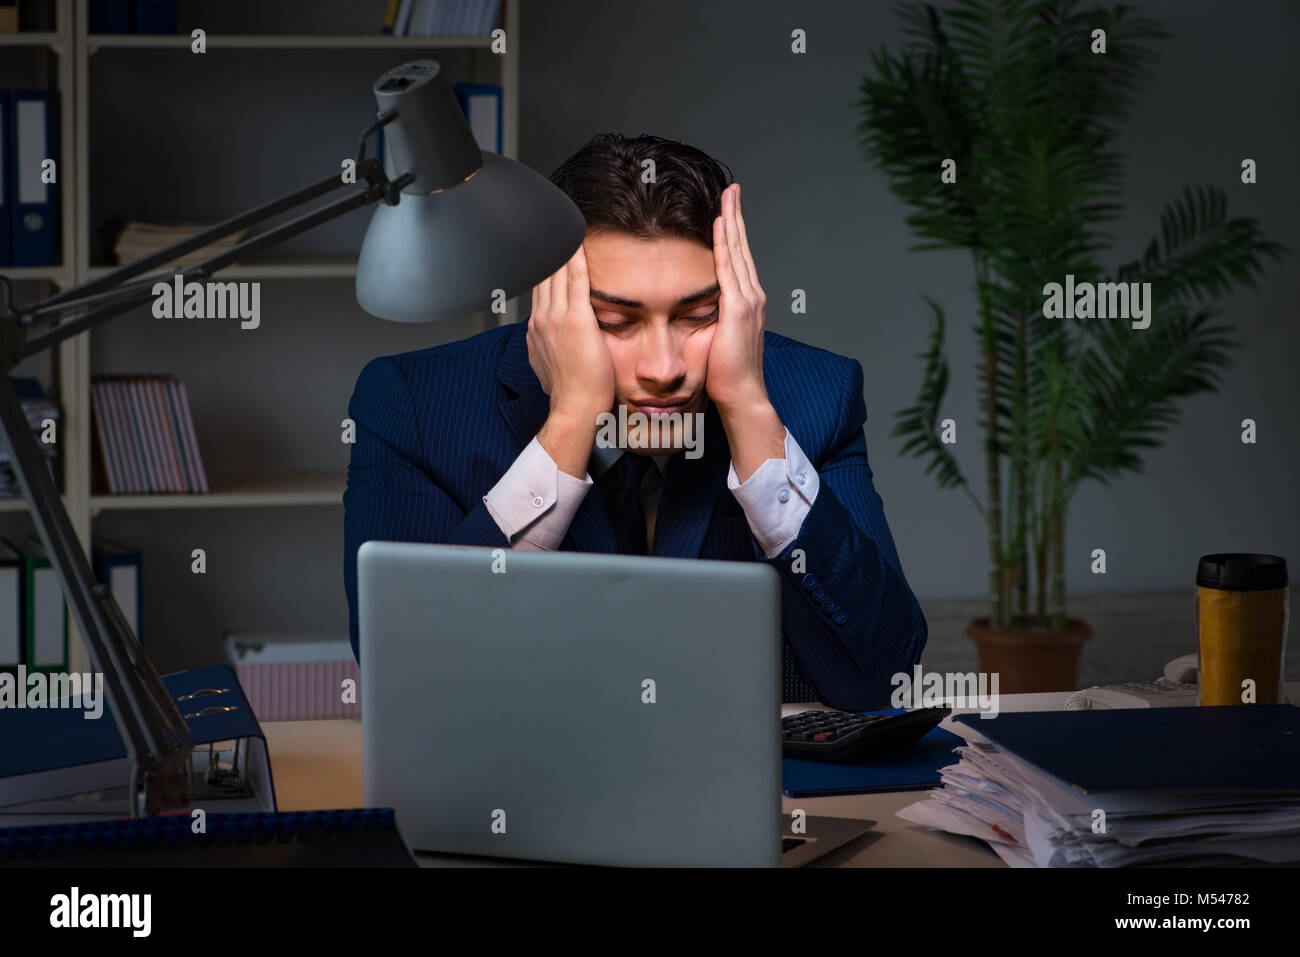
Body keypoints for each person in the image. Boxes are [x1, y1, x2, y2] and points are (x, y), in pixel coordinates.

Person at [343, 133, 926, 710]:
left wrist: (748, 408)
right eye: (615, 321)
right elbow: (411, 682)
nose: (664, 369)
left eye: (700, 315)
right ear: (550, 308)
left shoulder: (818, 395)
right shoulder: (413, 404)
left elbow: (883, 677)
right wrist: (570, 421)